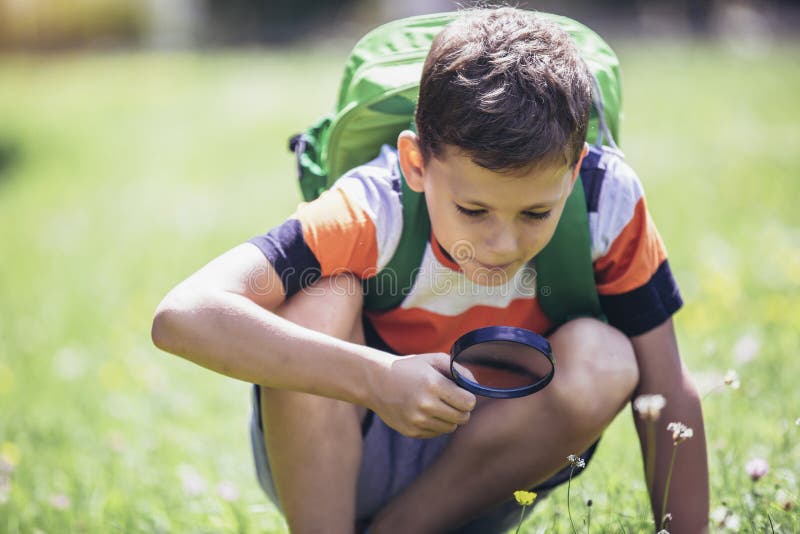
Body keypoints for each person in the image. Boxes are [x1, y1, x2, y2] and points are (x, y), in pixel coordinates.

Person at [151, 7, 709, 533]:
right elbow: (182, 315)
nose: (501, 243)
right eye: (473, 210)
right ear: (417, 163)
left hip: (492, 468)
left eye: (536, 212)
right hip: (348, 446)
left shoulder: (605, 200)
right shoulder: (374, 205)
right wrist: (378, 379)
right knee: (322, 299)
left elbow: (666, 386)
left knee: (607, 358)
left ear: (576, 166)